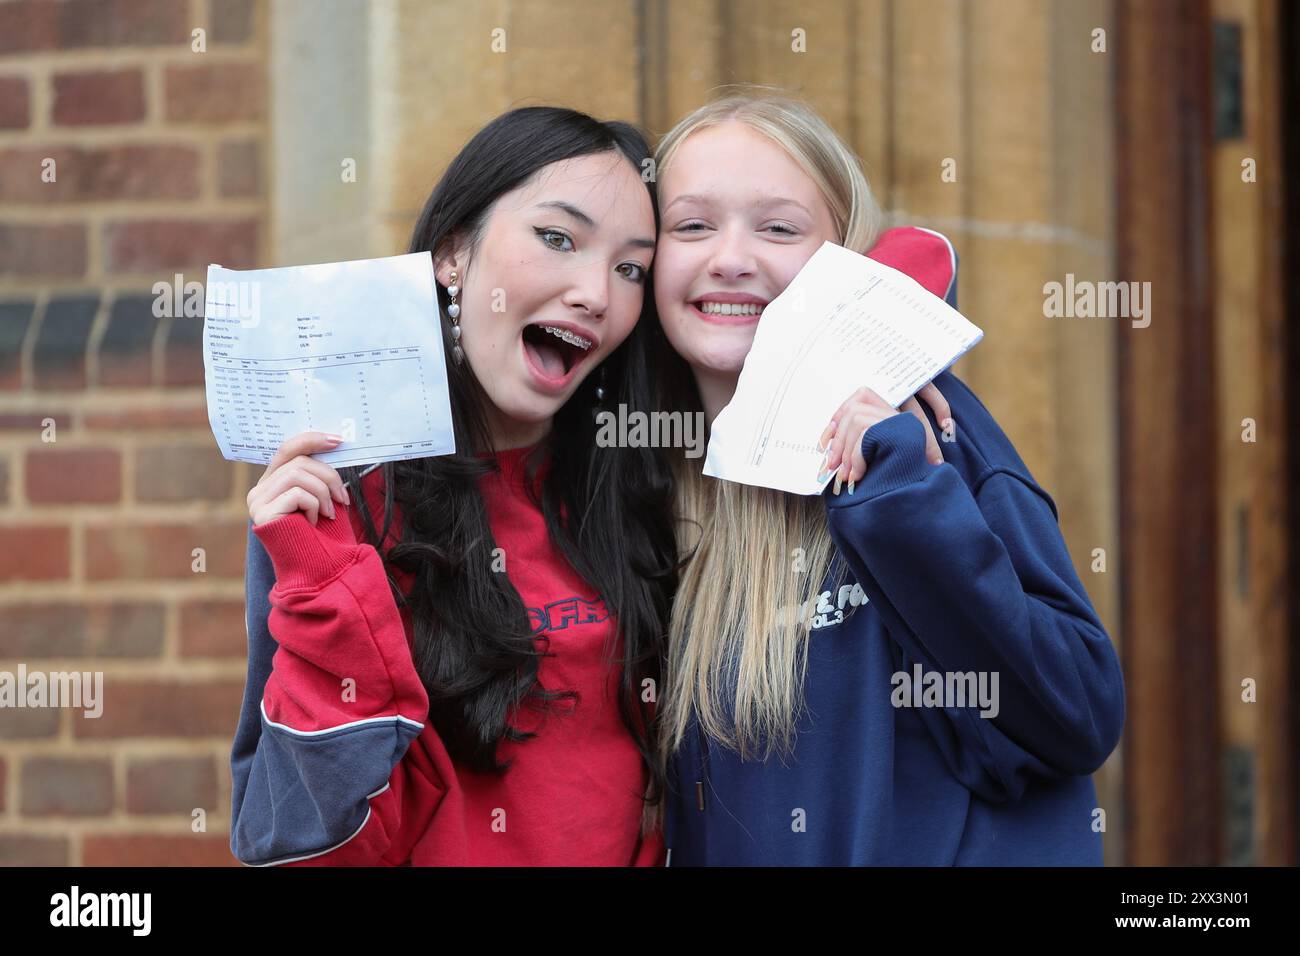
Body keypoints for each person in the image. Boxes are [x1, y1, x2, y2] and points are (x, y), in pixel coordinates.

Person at [650, 90, 1126, 865]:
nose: (730, 257)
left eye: (778, 228)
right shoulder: (637, 489)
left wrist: (901, 501)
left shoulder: (934, 432)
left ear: (842, 264)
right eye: (693, 225)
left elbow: (1074, 714)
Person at [230, 106, 677, 866]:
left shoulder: (649, 482)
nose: (597, 293)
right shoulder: (348, 504)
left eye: (630, 268)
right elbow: (303, 842)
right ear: (453, 254)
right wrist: (323, 588)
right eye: (558, 239)